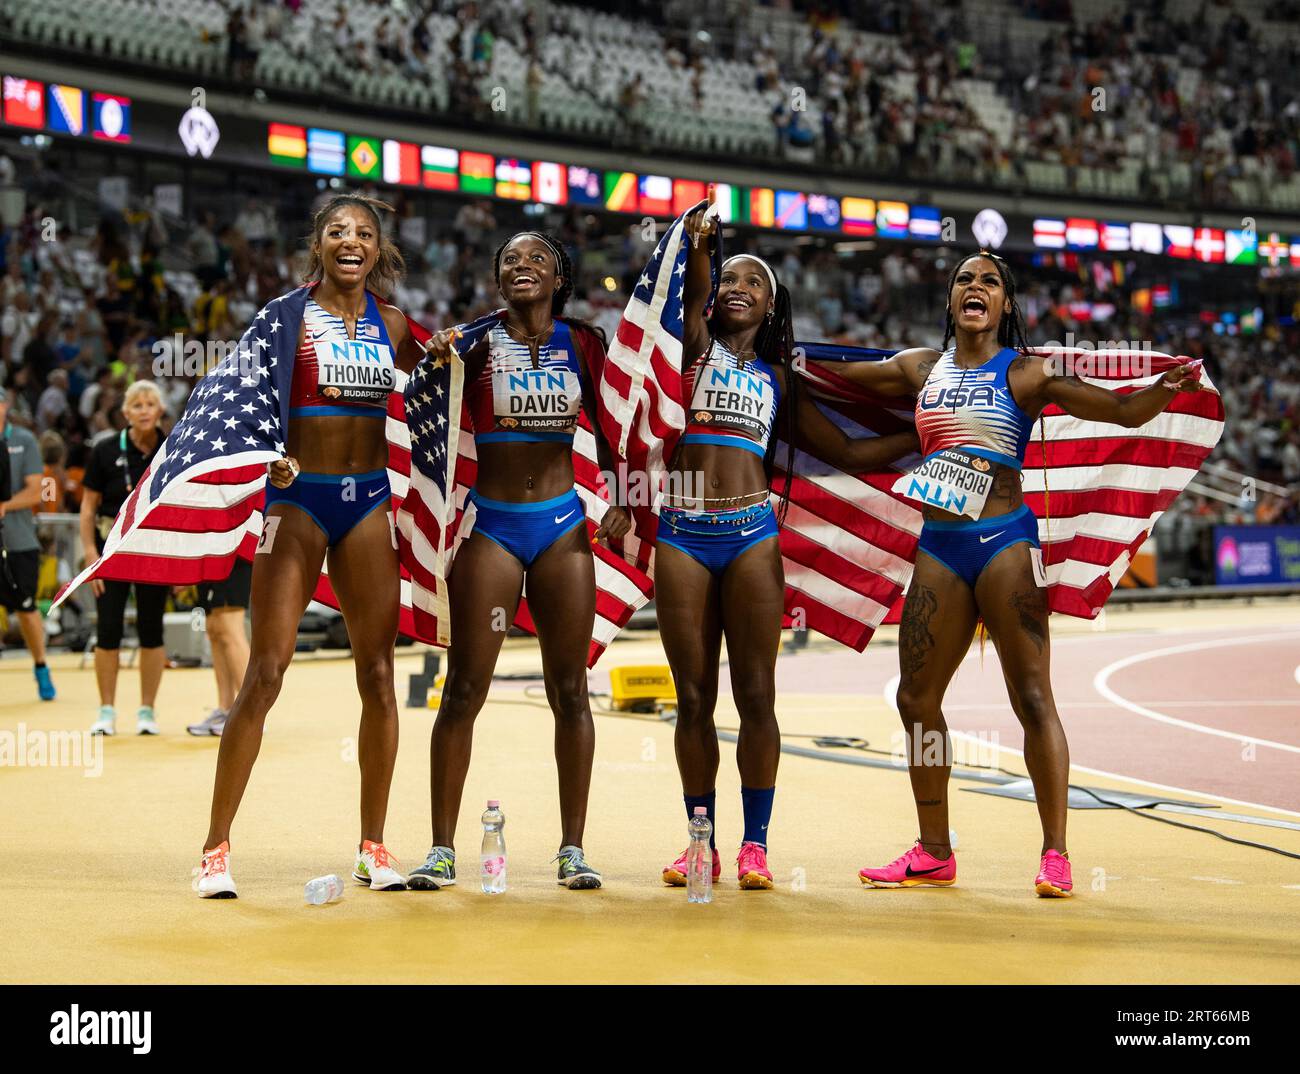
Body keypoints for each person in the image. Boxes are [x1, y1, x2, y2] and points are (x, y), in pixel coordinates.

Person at [830, 251, 1202, 897]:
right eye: (964, 280)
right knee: (915, 700)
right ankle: (933, 851)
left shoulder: (1027, 374)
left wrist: (1162, 392)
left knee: (1032, 698)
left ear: (1006, 305)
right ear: (952, 303)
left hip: (1004, 542)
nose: (976, 287)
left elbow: (1121, 414)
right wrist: (773, 363)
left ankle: (1055, 854)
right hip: (940, 546)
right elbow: (837, 379)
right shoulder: (919, 368)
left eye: (990, 282)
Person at [654, 208, 919, 890]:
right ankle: (699, 841)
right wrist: (706, 250)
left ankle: (755, 846)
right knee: (692, 699)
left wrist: (929, 434)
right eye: (730, 279)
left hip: (750, 536)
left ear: (773, 306)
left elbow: (853, 450)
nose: (739, 287)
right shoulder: (688, 349)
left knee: (757, 697)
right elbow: (691, 299)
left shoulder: (779, 379)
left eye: (756, 282)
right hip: (682, 533)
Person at [196, 195, 427, 898]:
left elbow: (440, 394)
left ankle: (373, 846)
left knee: (381, 675)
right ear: (318, 245)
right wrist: (268, 456)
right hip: (297, 503)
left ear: (379, 250)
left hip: (366, 506)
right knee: (265, 672)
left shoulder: (394, 323)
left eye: (363, 233)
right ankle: (214, 850)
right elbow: (237, 403)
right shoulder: (283, 317)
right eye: (337, 232)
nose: (349, 241)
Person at [407, 232, 629, 893]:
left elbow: (613, 425)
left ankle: (573, 849)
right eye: (508, 260)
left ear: (560, 277)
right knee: (464, 689)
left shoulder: (585, 341)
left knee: (570, 692)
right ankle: (441, 850)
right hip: (493, 530)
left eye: (536, 259)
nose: (520, 266)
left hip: (563, 528)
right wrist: (431, 366)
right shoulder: (470, 343)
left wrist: (622, 498)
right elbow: (422, 413)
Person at [79, 381, 169, 734]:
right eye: (137, 405)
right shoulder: (104, 450)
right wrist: (90, 555)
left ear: (160, 410)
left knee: (152, 631)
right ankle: (106, 711)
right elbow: (87, 509)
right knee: (108, 630)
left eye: (150, 404)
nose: (144, 410)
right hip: (111, 551)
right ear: (125, 413)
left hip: (154, 552)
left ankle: (147, 712)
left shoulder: (172, 449)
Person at [0, 386, 57, 700]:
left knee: (25, 607)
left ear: (6, 405)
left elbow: (37, 492)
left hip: (18, 540)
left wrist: (4, 506)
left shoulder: (22, 440)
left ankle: (41, 666)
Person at [185, 558, 252, 737]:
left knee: (230, 627)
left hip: (233, 549)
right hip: (209, 549)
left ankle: (250, 715)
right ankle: (226, 709)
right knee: (215, 628)